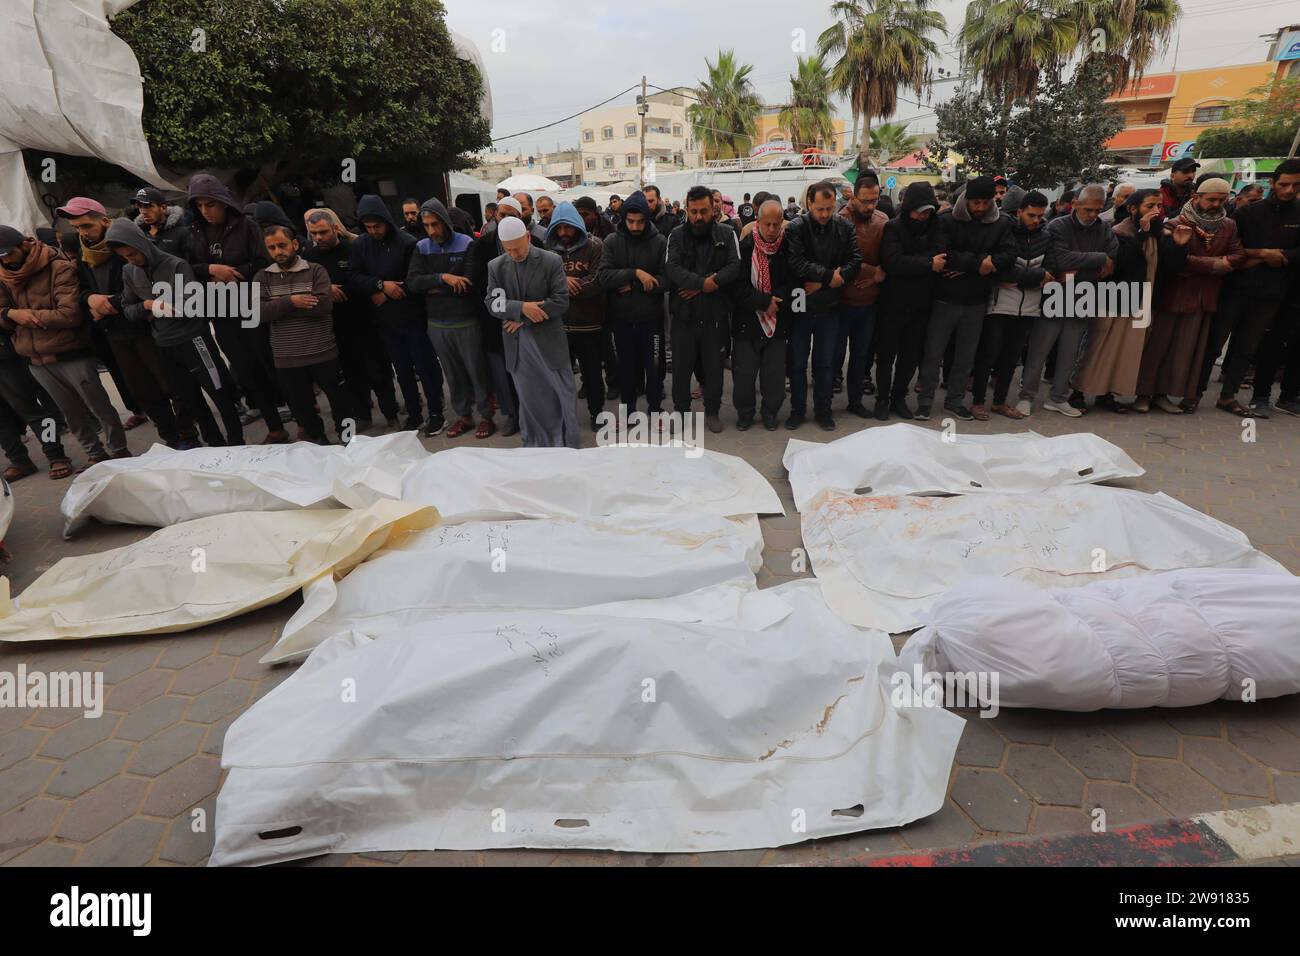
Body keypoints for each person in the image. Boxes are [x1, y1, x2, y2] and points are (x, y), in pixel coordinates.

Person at [59, 197, 195, 449]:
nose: (83, 232)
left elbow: (144, 286)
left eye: (87, 225)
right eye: (77, 228)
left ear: (104, 221)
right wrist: (91, 299)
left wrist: (110, 303)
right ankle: (170, 438)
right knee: (143, 391)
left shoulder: (127, 247)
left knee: (171, 384)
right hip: (115, 334)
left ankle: (188, 435)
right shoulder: (83, 255)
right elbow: (82, 289)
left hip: (145, 328)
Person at [106, 219, 245, 446]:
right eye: (125, 257)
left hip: (194, 338)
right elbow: (129, 310)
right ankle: (214, 443)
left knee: (219, 391)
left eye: (133, 254)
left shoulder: (176, 265)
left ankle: (237, 440)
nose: (131, 260)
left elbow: (192, 304)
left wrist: (158, 307)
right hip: (164, 344)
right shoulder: (129, 271)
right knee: (189, 398)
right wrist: (149, 306)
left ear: (142, 245)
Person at [0, 226, 130, 465]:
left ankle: (112, 451)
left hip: (70, 352)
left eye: (7, 254)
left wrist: (26, 317)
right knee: (67, 414)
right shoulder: (4, 277)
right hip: (34, 357)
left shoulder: (58, 266)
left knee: (96, 406)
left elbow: (70, 314)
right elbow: (3, 313)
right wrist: (11, 314)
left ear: (24, 245)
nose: (5, 260)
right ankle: (92, 454)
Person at [186, 173, 288, 442]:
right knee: (244, 369)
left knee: (269, 363)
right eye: (199, 206)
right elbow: (185, 268)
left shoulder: (247, 226)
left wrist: (235, 272)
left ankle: (303, 418)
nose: (205, 211)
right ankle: (274, 426)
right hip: (220, 311)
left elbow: (263, 263)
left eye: (211, 205)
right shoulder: (194, 231)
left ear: (223, 202)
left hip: (250, 305)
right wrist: (210, 269)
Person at [1136, 177, 1245, 414]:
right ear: (1196, 197)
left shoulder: (1229, 225)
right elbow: (1174, 262)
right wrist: (1216, 265)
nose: (1216, 204)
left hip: (1204, 299)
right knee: (1158, 348)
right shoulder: (1175, 223)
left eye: (1221, 200)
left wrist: (1205, 264)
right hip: (1174, 295)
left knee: (1184, 352)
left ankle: (1163, 395)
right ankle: (1143, 394)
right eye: (1211, 199)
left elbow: (1237, 257)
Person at [1077, 188, 1190, 414]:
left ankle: (1106, 394)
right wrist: (1141, 234)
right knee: (1099, 349)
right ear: (1132, 209)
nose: (1156, 211)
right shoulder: (1118, 232)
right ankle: (1077, 392)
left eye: (1160, 207)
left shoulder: (1160, 235)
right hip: (1114, 300)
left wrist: (1179, 246)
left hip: (1143, 302)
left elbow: (1171, 270)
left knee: (1123, 353)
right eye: (1150, 206)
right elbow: (1119, 266)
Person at [1206, 159, 1300, 417]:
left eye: (1295, 185)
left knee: (1247, 348)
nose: (1289, 190)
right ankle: (1193, 394)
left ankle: (1228, 397)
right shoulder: (1250, 212)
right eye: (1284, 184)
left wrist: (1282, 256)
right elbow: (1229, 245)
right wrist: (1260, 254)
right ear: (1273, 183)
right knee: (1215, 343)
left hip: (1272, 293)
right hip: (1236, 288)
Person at [917, 176, 1013, 421]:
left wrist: (977, 264)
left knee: (965, 357)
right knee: (933, 354)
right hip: (944, 299)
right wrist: (981, 263)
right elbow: (944, 254)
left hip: (976, 302)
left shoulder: (1002, 223)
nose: (980, 208)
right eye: (975, 202)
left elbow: (1008, 255)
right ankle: (925, 401)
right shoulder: (947, 220)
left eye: (985, 202)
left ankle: (955, 401)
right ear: (967, 199)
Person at [350, 194, 446, 435]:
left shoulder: (406, 242)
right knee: (402, 370)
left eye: (377, 226)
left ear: (386, 221)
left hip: (412, 316)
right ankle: (413, 413)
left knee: (424, 367)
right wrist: (380, 285)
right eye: (369, 227)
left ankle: (436, 413)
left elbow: (415, 279)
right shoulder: (361, 244)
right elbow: (353, 276)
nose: (374, 231)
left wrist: (395, 289)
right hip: (384, 320)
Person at [1019, 183, 1117, 419]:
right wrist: (1100, 258)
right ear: (1075, 205)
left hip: (1084, 295)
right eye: (1088, 210)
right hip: (1055, 295)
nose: (1093, 215)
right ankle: (1026, 396)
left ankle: (1058, 398)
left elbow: (1113, 261)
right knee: (1039, 351)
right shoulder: (1058, 226)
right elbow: (1061, 260)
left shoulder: (1104, 229)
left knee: (1070, 353)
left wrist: (1092, 264)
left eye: (1098, 210)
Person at [254, 224, 354, 443]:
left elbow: (323, 305)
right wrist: (293, 301)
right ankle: (319, 444)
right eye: (271, 247)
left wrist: (277, 306)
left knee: (341, 402)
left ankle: (350, 440)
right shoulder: (262, 277)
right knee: (303, 408)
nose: (277, 251)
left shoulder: (315, 270)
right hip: (286, 357)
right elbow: (257, 313)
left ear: (295, 244)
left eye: (282, 245)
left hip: (322, 351)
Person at [485, 216, 578, 448]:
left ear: (528, 237)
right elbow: (492, 304)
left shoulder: (551, 261)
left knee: (561, 395)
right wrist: (521, 308)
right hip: (518, 346)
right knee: (530, 399)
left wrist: (522, 318)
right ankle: (535, 444)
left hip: (548, 342)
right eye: (508, 250)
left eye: (518, 248)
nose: (514, 254)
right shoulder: (496, 266)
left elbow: (560, 302)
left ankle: (567, 444)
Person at [303, 209, 399, 431]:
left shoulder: (354, 249)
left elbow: (366, 278)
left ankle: (391, 412)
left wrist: (345, 288)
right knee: (350, 374)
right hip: (334, 326)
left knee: (378, 371)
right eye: (314, 233)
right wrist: (326, 289)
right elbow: (304, 286)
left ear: (335, 228)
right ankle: (362, 414)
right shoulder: (309, 258)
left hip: (365, 320)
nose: (318, 238)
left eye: (323, 232)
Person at [407, 198, 495, 439]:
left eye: (435, 224)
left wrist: (433, 286)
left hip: (466, 320)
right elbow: (413, 283)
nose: (432, 230)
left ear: (445, 221)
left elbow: (469, 283)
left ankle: (486, 416)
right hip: (437, 323)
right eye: (426, 225)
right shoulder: (422, 247)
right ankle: (464, 416)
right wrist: (444, 279)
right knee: (453, 374)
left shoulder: (467, 243)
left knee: (477, 371)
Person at [785, 180, 863, 430]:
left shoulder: (844, 226)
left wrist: (824, 283)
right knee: (797, 360)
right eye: (820, 209)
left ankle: (823, 410)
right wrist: (830, 275)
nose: (825, 214)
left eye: (829, 208)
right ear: (809, 203)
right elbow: (796, 264)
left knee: (825, 361)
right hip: (800, 300)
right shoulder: (796, 227)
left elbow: (855, 262)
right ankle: (797, 410)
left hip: (830, 302)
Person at [665, 185, 742, 433]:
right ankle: (682, 413)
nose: (699, 217)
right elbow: (672, 269)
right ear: (686, 210)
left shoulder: (727, 234)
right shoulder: (675, 236)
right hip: (683, 317)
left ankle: (712, 412)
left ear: (714, 208)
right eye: (694, 211)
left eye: (704, 211)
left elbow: (735, 267)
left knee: (714, 369)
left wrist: (707, 286)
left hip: (714, 317)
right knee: (680, 370)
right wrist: (702, 283)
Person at [972, 187, 1049, 421]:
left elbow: (1052, 270)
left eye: (1039, 216)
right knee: (988, 356)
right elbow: (999, 267)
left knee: (1010, 359)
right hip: (1000, 306)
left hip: (1028, 309)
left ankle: (1000, 402)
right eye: (1031, 215)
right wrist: (1034, 277)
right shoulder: (1004, 232)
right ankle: (977, 402)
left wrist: (1022, 277)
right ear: (1019, 212)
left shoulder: (1046, 237)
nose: (1036, 221)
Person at [598, 190, 668, 417]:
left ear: (647, 219)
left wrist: (636, 285)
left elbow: (668, 280)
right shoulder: (611, 241)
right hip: (622, 320)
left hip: (652, 320)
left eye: (640, 222)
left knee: (655, 368)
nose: (635, 227)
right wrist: (636, 273)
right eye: (630, 222)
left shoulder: (659, 242)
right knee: (626, 368)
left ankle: (655, 410)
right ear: (623, 219)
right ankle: (628, 411)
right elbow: (604, 277)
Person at [877, 181, 942, 421]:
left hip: (921, 304)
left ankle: (898, 398)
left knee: (910, 356)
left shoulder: (935, 226)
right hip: (893, 303)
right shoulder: (893, 227)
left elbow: (940, 255)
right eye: (919, 211)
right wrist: (926, 263)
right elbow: (893, 261)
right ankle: (882, 399)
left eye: (928, 211)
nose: (923, 216)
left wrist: (915, 261)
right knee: (886, 356)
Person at [732, 199, 794, 430]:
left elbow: (795, 283)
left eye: (775, 225)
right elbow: (737, 288)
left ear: (781, 224)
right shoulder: (744, 248)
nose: (771, 230)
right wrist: (763, 302)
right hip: (747, 323)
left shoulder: (789, 249)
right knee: (745, 376)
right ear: (757, 222)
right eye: (766, 224)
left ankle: (770, 413)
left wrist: (776, 301)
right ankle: (745, 413)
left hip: (778, 323)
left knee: (774, 376)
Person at [546, 202, 606, 430]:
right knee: (560, 376)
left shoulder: (595, 246)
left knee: (592, 375)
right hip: (558, 325)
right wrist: (563, 283)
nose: (563, 233)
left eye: (567, 228)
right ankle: (563, 416)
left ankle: (597, 413)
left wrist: (562, 286)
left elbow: (597, 280)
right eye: (558, 228)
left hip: (589, 323)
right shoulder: (548, 250)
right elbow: (543, 283)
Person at [836, 173, 887, 419]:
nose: (869, 206)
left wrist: (882, 272)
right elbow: (836, 260)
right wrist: (871, 270)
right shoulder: (838, 221)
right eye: (865, 201)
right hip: (841, 302)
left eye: (874, 201)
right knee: (832, 355)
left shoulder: (883, 221)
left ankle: (855, 400)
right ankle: (824, 404)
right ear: (853, 197)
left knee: (860, 355)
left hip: (870, 302)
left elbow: (890, 256)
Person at [132, 187, 189, 256]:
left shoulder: (183, 233)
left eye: (148, 206)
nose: (143, 211)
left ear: (163, 208)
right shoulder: (138, 233)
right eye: (140, 206)